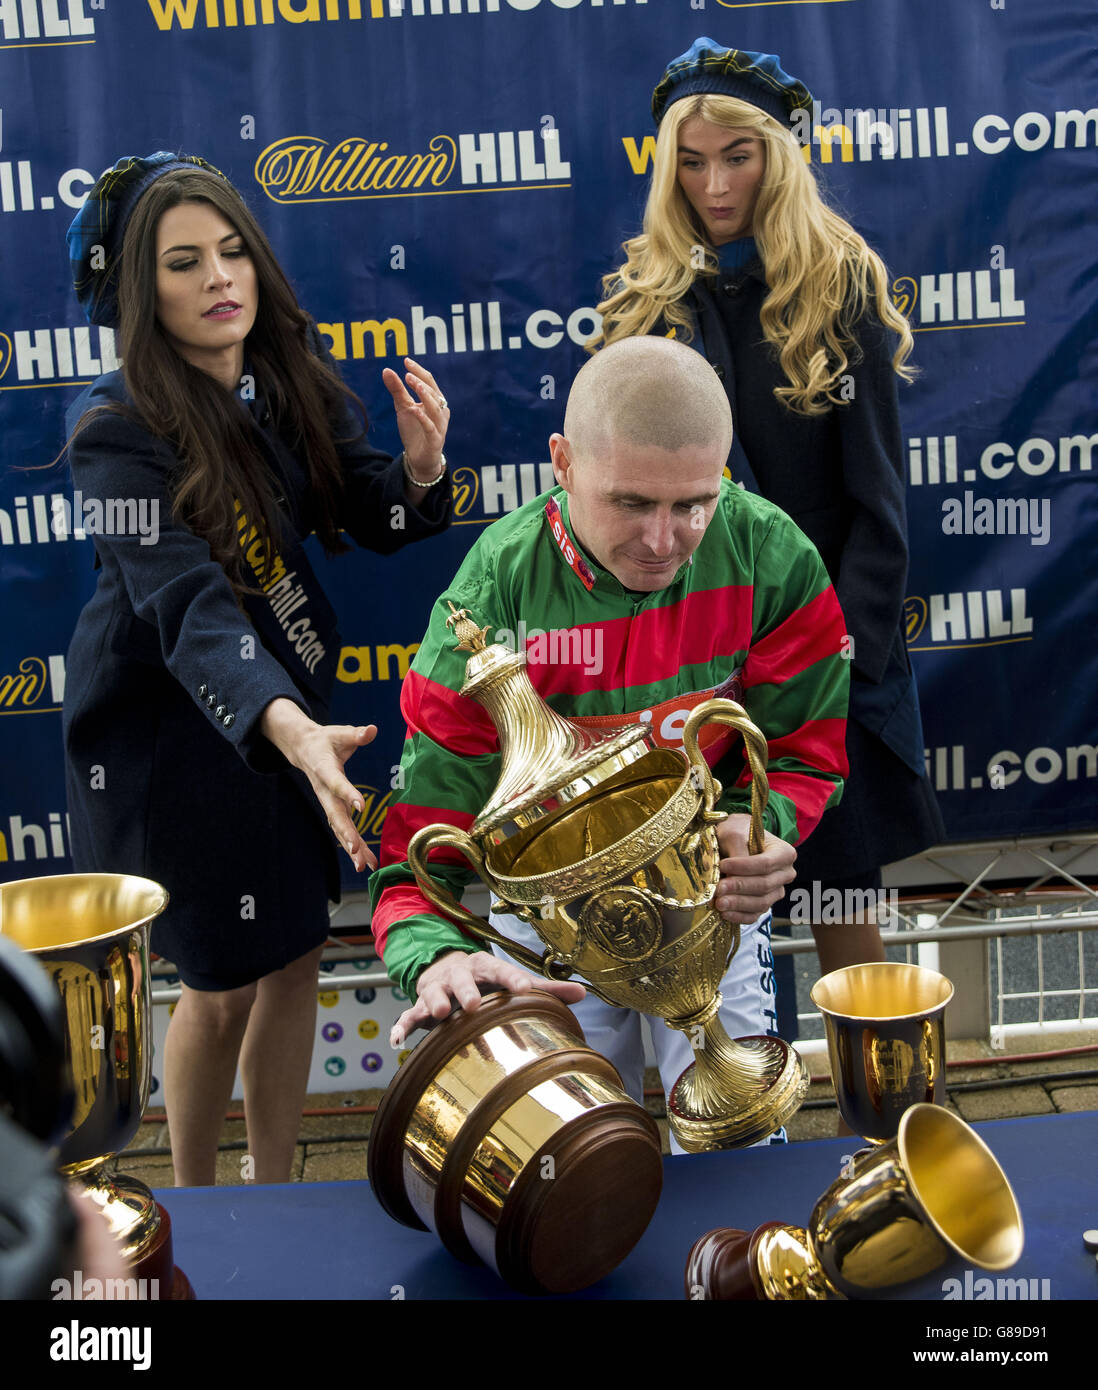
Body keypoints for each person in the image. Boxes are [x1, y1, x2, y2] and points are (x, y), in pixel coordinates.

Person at [62, 152, 453, 1186]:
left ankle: (272, 1185)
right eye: (184, 263)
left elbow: (370, 511)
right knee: (222, 978)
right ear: (143, 291)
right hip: (167, 731)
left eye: (232, 251)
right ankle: (200, 1203)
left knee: (294, 955)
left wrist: (418, 470)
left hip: (286, 720)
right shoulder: (113, 428)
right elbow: (188, 608)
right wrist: (284, 727)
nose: (218, 278)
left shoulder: (281, 380)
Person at [371, 336, 850, 1145]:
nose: (664, 541)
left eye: (694, 502)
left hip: (710, 900)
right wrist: (439, 958)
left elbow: (807, 748)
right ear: (561, 462)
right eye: (631, 503)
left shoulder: (772, 555)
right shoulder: (484, 606)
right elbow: (416, 850)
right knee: (579, 1166)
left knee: (740, 1147)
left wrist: (760, 823)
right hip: (546, 931)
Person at [594, 40, 945, 996]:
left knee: (843, 923)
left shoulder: (842, 286)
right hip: (688, 673)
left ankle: (883, 1131)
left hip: (825, 668)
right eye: (692, 161)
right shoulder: (643, 300)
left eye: (736, 157)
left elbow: (880, 513)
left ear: (779, 156)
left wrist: (830, 671)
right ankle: (741, 1134)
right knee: (709, 938)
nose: (714, 184)